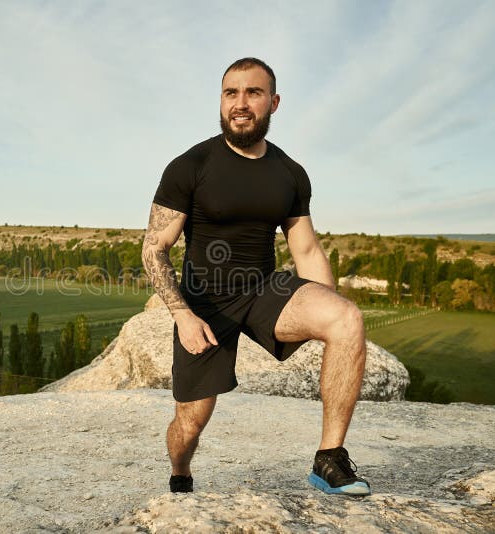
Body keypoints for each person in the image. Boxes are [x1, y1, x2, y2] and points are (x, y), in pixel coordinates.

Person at [141, 57, 371, 496]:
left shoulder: (290, 173)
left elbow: (305, 249)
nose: (241, 103)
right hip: (204, 304)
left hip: (264, 290)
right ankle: (180, 473)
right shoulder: (190, 165)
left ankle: (329, 458)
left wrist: (326, 318)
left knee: (346, 320)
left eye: (253, 92)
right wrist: (184, 317)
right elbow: (154, 249)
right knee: (190, 424)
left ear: (274, 102)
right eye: (232, 93)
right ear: (221, 101)